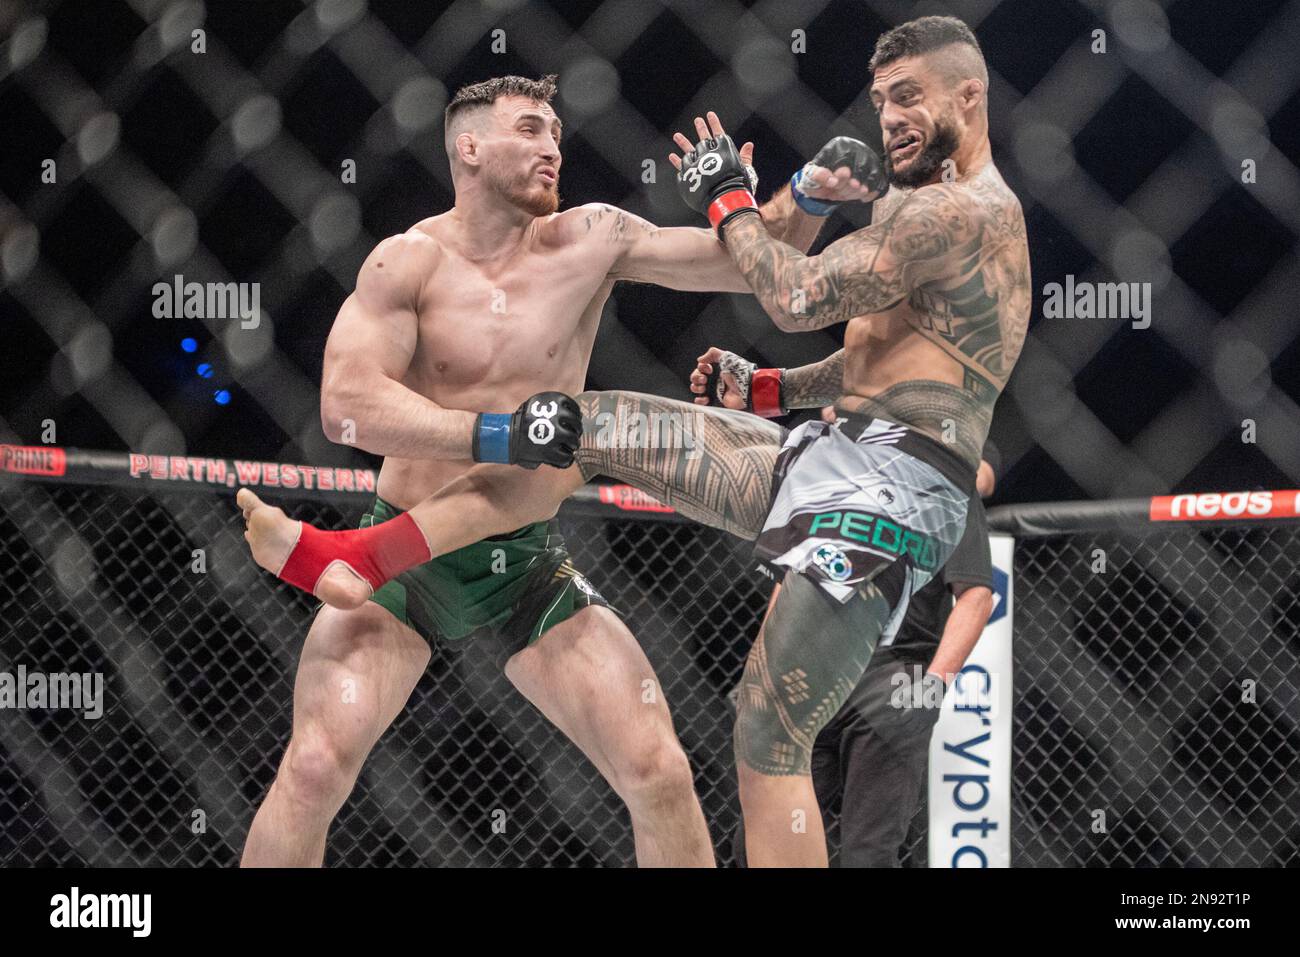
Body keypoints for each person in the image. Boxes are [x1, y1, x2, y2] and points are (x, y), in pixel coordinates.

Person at [240, 15, 1030, 867]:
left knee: (675, 762)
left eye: (557, 131)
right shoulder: (406, 262)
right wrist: (499, 430)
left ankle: (356, 553)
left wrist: (793, 197)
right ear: (467, 149)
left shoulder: (595, 237)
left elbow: (754, 269)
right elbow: (345, 406)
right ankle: (364, 553)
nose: (553, 147)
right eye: (530, 129)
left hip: (534, 561)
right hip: (419, 556)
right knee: (317, 765)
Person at [726, 430, 1000, 867]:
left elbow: (976, 595)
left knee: (868, 853)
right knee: (761, 833)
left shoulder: (944, 483)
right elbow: (789, 583)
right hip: (813, 667)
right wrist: (761, 670)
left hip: (893, 675)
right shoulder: (830, 478)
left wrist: (933, 686)